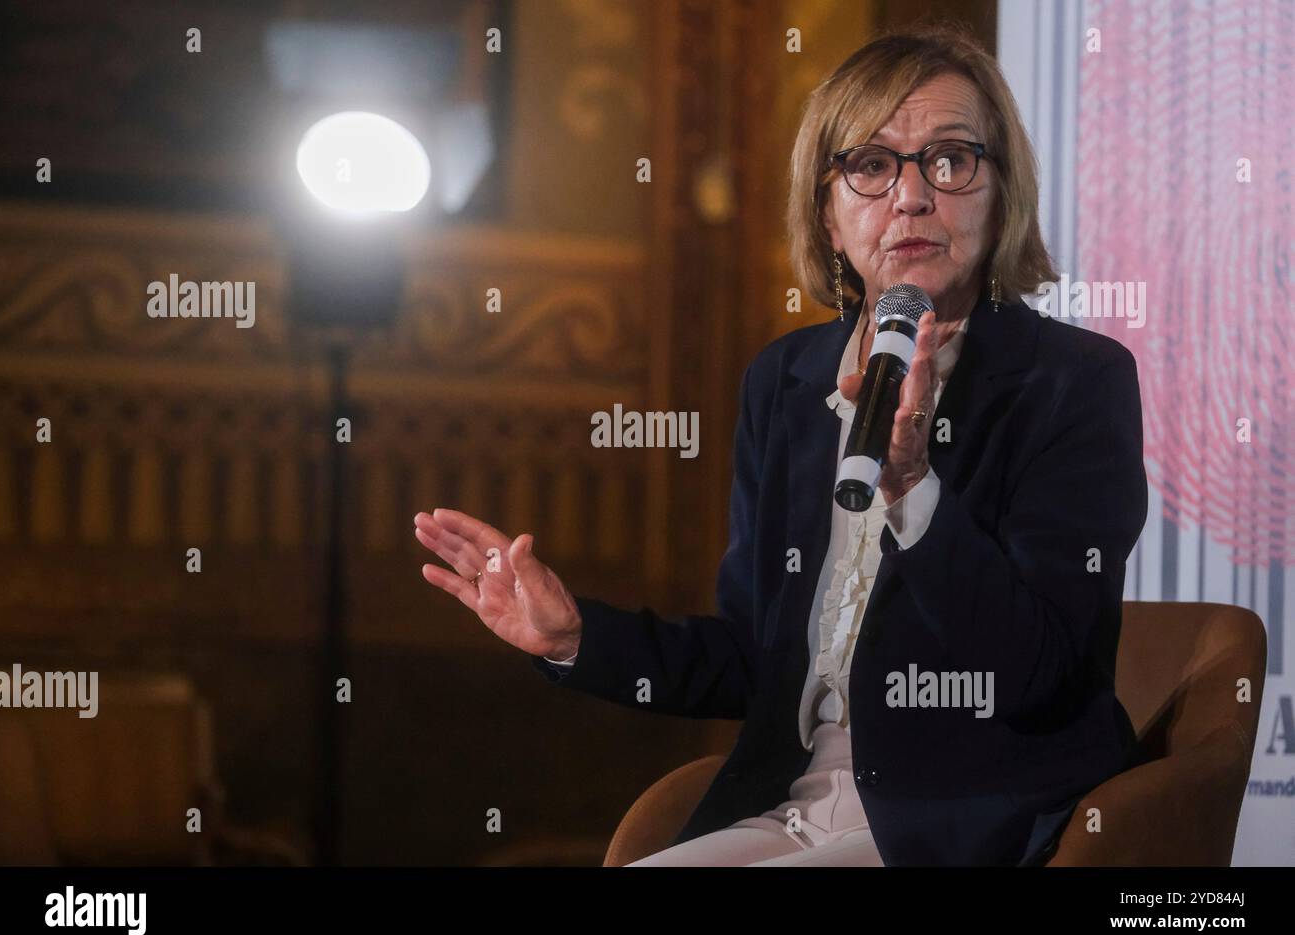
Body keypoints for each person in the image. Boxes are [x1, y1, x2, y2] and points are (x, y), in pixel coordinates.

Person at [413, 26, 1148, 866]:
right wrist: (575, 639)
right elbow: (754, 657)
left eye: (950, 160)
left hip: (962, 820)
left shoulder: (1073, 383)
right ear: (829, 214)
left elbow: (1035, 670)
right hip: (789, 808)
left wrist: (914, 492)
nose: (910, 197)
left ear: (1002, 193)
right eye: (870, 165)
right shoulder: (786, 382)